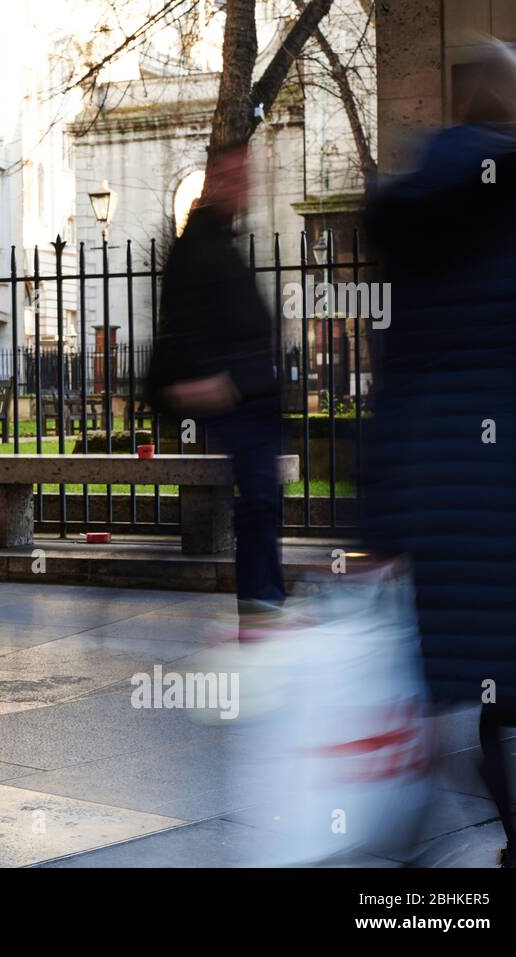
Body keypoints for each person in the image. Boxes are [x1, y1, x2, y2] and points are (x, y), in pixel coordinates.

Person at [364, 41, 516, 867]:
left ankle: (406, 850)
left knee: (445, 679)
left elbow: (390, 372)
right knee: (515, 685)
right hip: (512, 487)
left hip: (434, 487)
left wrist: (383, 515)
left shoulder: (411, 209)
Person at [151, 144, 284, 638]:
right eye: (233, 178)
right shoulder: (198, 244)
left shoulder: (221, 240)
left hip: (250, 397)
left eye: (246, 178)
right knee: (257, 503)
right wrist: (200, 382)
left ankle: (265, 607)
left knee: (262, 503)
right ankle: (261, 609)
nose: (242, 187)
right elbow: (181, 324)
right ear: (214, 183)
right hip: (230, 398)